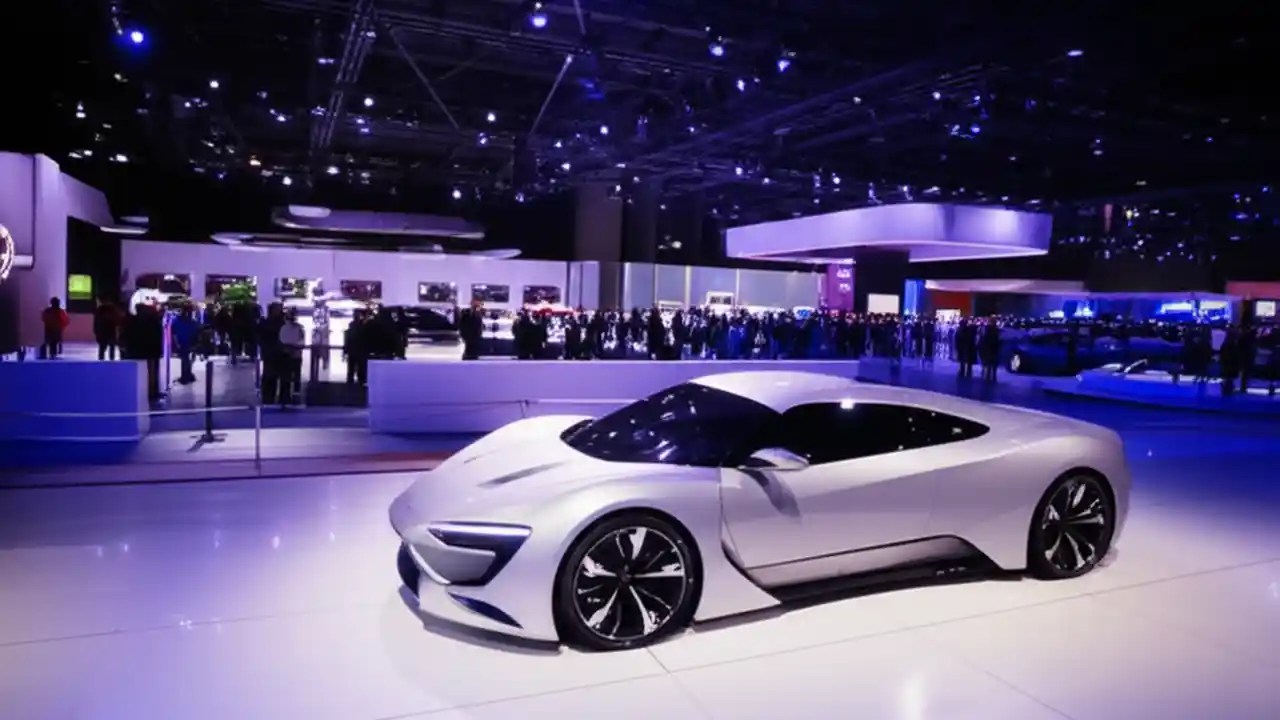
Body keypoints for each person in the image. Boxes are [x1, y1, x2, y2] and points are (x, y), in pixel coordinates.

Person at [277, 309, 305, 406]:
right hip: (293, 356)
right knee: (294, 376)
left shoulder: (284, 328)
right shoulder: (298, 328)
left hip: (288, 355)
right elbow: (302, 342)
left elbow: (281, 341)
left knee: (288, 376)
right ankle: (292, 395)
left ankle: (286, 395)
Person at [170, 305, 201, 384]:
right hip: (187, 343)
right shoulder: (192, 322)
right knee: (187, 359)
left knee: (185, 359)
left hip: (183, 343)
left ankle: (186, 375)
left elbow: (174, 333)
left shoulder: (177, 321)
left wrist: (176, 344)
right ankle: (186, 375)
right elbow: (197, 333)